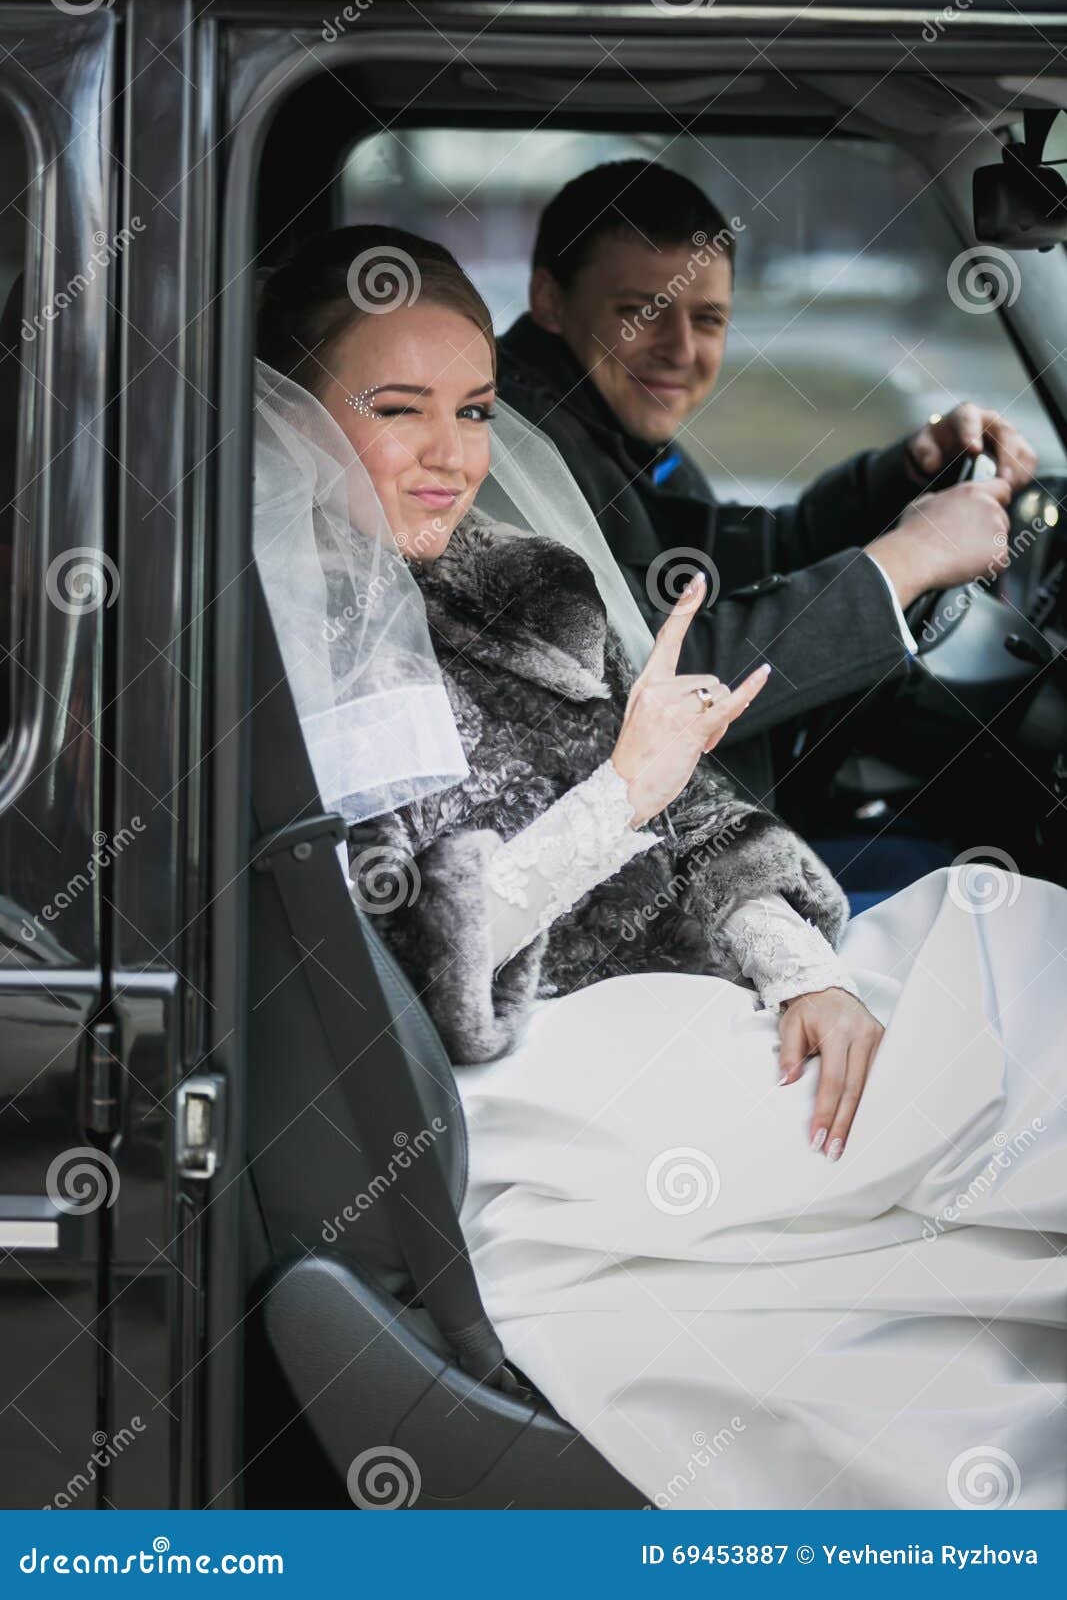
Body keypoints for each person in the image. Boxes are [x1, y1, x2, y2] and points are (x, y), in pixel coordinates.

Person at [254, 225, 1067, 1512]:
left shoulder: (522, 583)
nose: (453, 454)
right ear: (293, 417)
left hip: (683, 987)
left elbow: (692, 812)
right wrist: (616, 793)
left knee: (1004, 945)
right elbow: (432, 965)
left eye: (472, 409)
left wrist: (797, 963)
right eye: (394, 410)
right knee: (1006, 1047)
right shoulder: (301, 668)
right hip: (546, 1080)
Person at [495, 159, 1039, 810]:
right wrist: (905, 563)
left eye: (708, 320)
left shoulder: (594, 417)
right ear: (550, 300)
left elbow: (721, 551)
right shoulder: (512, 453)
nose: (681, 350)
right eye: (642, 311)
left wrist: (907, 470)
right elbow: (651, 682)